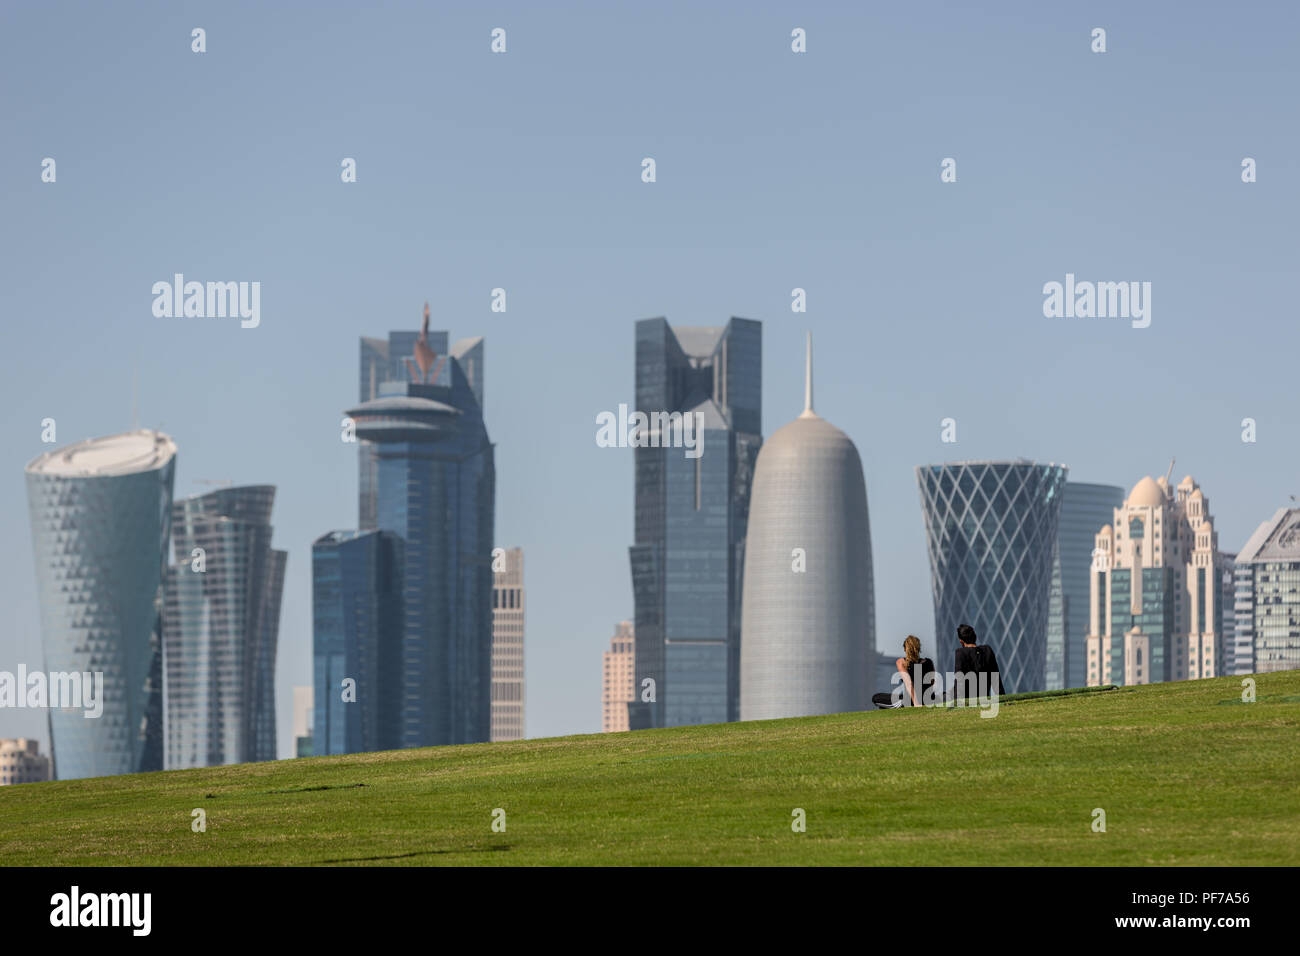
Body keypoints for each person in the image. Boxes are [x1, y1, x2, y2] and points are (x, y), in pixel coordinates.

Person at [872, 635, 937, 708]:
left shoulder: (901, 662)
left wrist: (916, 703)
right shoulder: (929, 661)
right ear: (919, 648)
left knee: (876, 698)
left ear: (905, 649)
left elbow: (909, 683)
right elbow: (932, 682)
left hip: (910, 701)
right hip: (929, 698)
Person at [952, 623, 1007, 703]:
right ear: (975, 637)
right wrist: (1004, 700)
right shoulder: (987, 651)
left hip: (968, 704)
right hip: (985, 701)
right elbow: (996, 681)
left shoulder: (961, 653)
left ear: (961, 641)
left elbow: (959, 681)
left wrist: (957, 703)